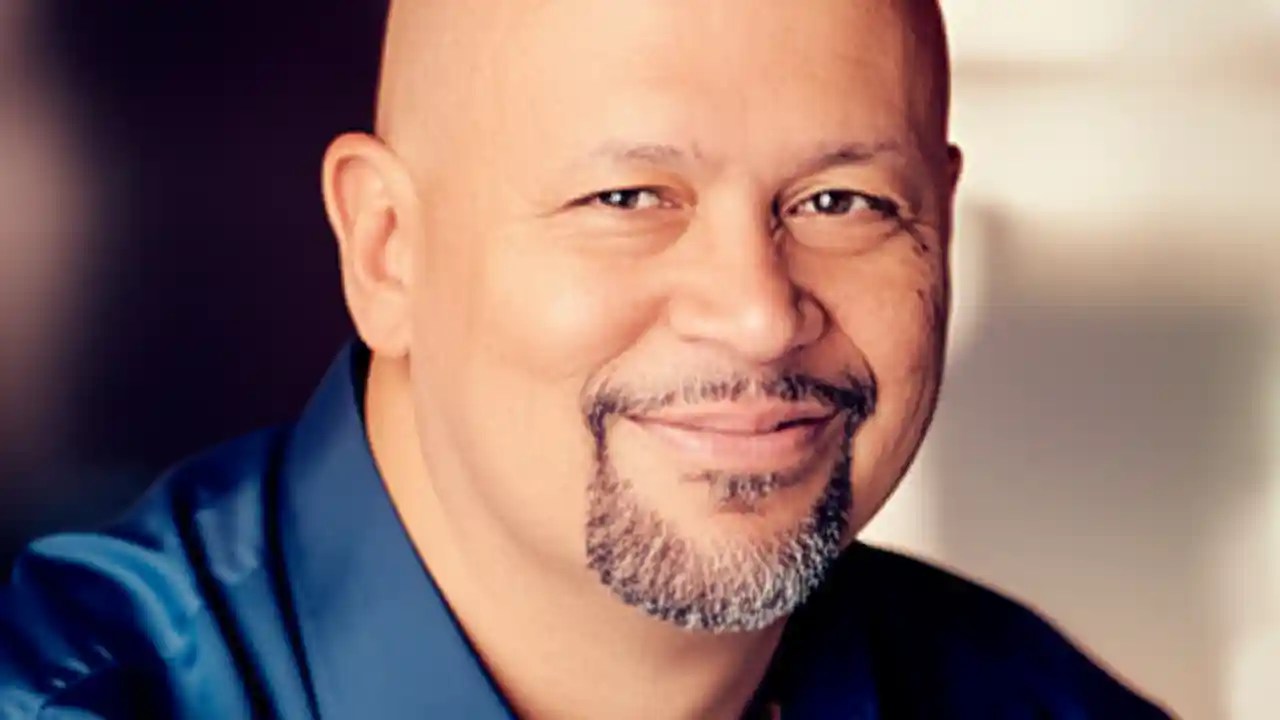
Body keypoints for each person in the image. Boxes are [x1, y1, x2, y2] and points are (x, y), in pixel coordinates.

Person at [0, 1, 1171, 717]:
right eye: (627, 196)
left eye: (840, 200)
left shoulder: (1030, 701)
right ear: (388, 248)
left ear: (944, 225)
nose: (757, 314)